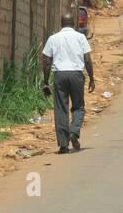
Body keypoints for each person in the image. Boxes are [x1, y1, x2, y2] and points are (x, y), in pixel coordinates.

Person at [40, 12, 95, 154]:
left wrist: (45, 81)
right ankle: (74, 132)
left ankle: (63, 145)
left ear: (61, 23)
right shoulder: (80, 37)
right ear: (73, 24)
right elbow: (87, 59)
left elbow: (46, 61)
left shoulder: (53, 38)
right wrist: (91, 78)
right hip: (76, 75)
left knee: (60, 109)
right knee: (78, 106)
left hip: (60, 75)